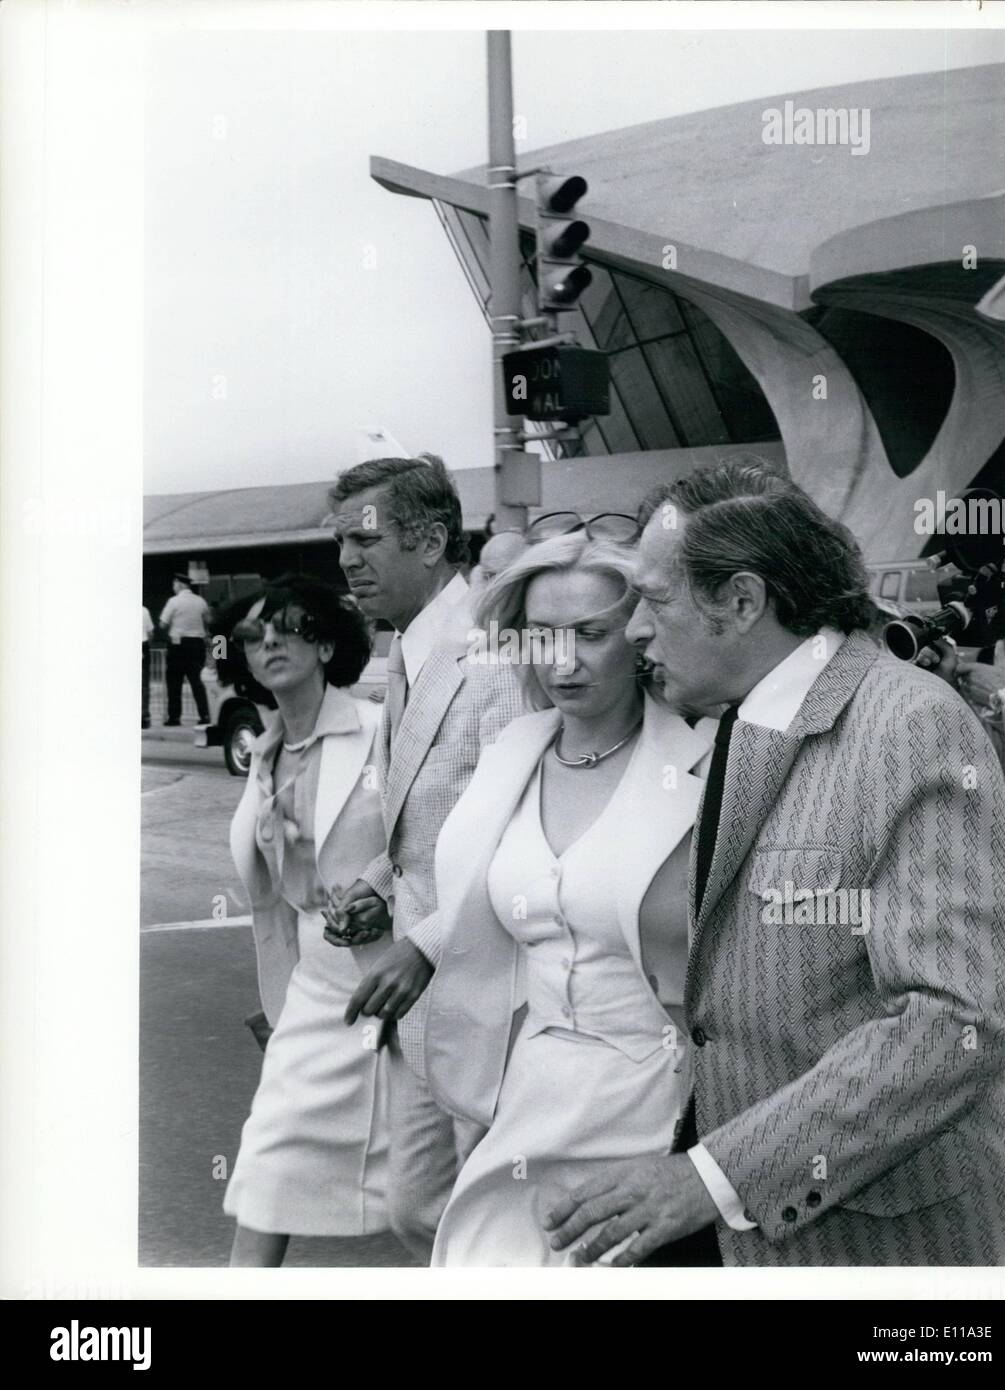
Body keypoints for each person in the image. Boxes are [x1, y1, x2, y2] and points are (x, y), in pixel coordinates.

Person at [545, 461, 1005, 1267]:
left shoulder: (907, 726)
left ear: (743, 600)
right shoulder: (743, 717)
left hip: (881, 1248)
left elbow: (954, 1022)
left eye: (655, 601)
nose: (636, 633)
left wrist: (713, 1179)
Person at [418, 529, 714, 1266]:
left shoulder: (707, 763)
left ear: (639, 633)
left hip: (660, 1097)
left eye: (590, 633)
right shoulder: (509, 754)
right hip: (534, 1087)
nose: (561, 660)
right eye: (541, 635)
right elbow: (477, 902)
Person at [321, 453, 525, 1261]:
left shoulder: (497, 651)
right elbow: (421, 814)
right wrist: (377, 885)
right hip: (423, 998)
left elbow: (519, 828)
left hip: (488, 987)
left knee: (490, 1215)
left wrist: (427, 944)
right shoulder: (405, 654)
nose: (345, 560)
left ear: (434, 538)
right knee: (418, 1207)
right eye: (339, 542)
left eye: (363, 539)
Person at [214, 573, 394, 1266]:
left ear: (325, 644)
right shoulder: (262, 754)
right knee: (268, 1159)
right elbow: (271, 904)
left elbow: (431, 848)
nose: (271, 644)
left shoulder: (382, 731)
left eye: (289, 628)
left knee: (436, 1185)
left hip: (403, 978)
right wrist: (277, 1008)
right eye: (255, 636)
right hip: (316, 994)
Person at [159, 573, 211, 726]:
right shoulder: (200, 601)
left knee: (174, 683)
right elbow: (208, 620)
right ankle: (205, 715)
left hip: (177, 646)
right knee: (197, 681)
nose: (173, 587)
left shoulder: (173, 602)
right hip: (197, 645)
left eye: (174, 584)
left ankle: (174, 717)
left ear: (180, 585)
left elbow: (163, 623)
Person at [141, 605, 154, 729]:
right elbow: (150, 633)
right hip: (142, 645)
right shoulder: (144, 610)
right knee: (144, 684)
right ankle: (143, 715)